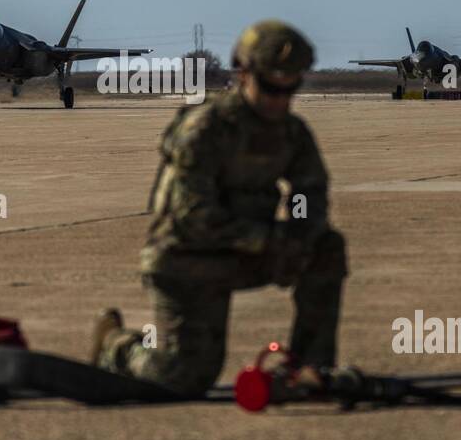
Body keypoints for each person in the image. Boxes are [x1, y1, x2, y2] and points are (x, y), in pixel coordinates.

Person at [92, 20, 347, 396]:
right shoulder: (206, 129)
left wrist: (299, 232)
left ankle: (308, 366)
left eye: (290, 87)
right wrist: (267, 239)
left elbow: (309, 194)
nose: (280, 97)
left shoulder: (292, 132)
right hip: (185, 259)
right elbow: (193, 215)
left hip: (246, 251)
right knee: (183, 379)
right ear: (243, 75)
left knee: (326, 246)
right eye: (270, 86)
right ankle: (116, 346)